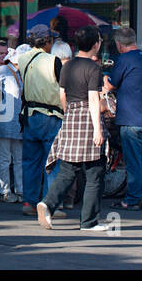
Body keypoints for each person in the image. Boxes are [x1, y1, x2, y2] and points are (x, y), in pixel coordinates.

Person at [37, 27, 107, 232]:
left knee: (68, 169)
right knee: (95, 171)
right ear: (96, 44)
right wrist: (98, 130)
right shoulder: (94, 68)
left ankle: (47, 203)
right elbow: (94, 99)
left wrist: (69, 114)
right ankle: (89, 221)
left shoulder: (67, 66)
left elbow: (62, 96)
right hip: (88, 117)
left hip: (70, 116)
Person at [104, 26, 142, 210]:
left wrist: (104, 79)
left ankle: (132, 198)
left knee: (133, 160)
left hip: (130, 118)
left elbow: (112, 85)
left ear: (119, 44)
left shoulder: (123, 60)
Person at [17, 25, 64, 218]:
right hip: (51, 115)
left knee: (30, 161)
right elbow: (62, 89)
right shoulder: (54, 61)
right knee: (52, 162)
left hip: (29, 115)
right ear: (47, 41)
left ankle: (29, 201)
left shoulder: (22, 59)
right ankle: (49, 204)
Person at [0, 43, 27, 203]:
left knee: (18, 158)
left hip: (15, 121)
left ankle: (20, 189)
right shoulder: (3, 70)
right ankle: (3, 191)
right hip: (3, 120)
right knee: (4, 158)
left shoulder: (16, 72)